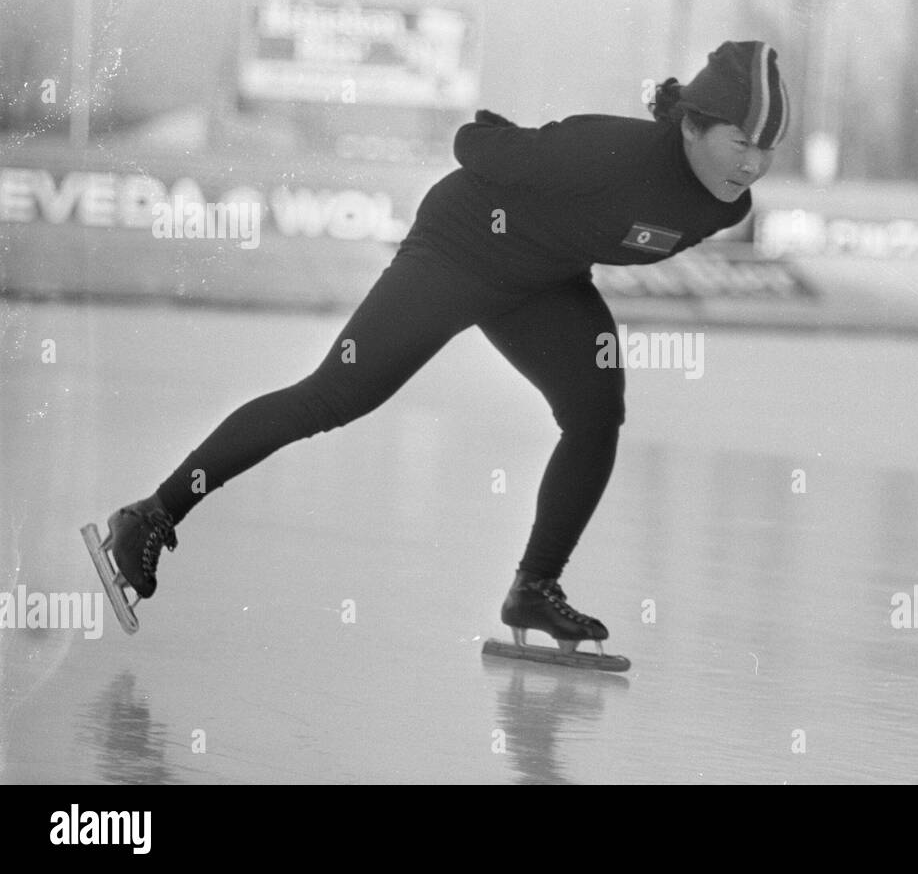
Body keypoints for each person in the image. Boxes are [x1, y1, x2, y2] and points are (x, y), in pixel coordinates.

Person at [92, 40, 791, 653]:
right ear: (694, 126)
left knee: (596, 413)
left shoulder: (723, 206)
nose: (753, 166)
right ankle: (151, 513)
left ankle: (533, 587)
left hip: (543, 280)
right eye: (741, 144)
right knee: (335, 396)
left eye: (767, 150)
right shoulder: (612, 150)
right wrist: (508, 141)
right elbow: (472, 147)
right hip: (459, 250)